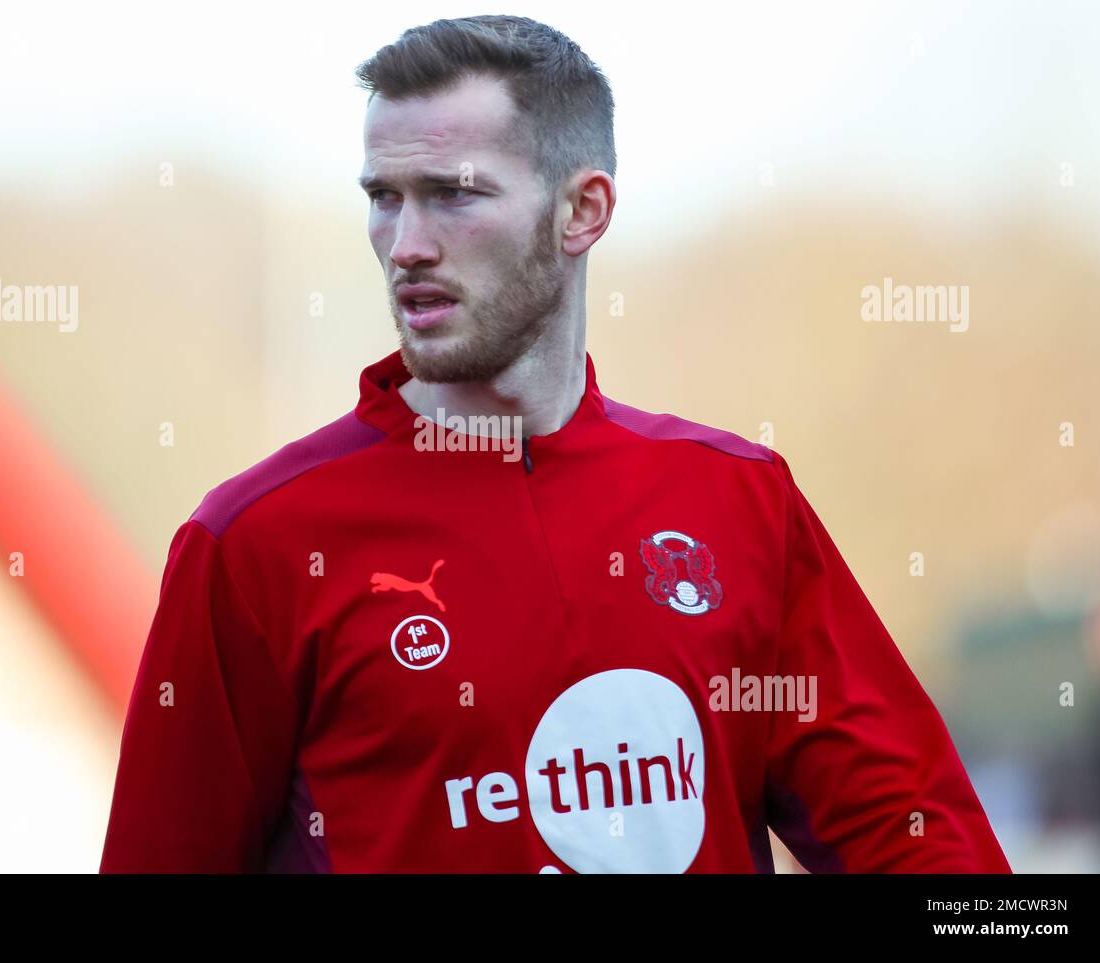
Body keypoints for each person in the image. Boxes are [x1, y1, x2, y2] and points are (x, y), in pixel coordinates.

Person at [99, 15, 1010, 873]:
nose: (406, 244)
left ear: (583, 210)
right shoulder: (255, 540)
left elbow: (913, 833)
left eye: (453, 194)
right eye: (384, 198)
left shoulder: (737, 498)